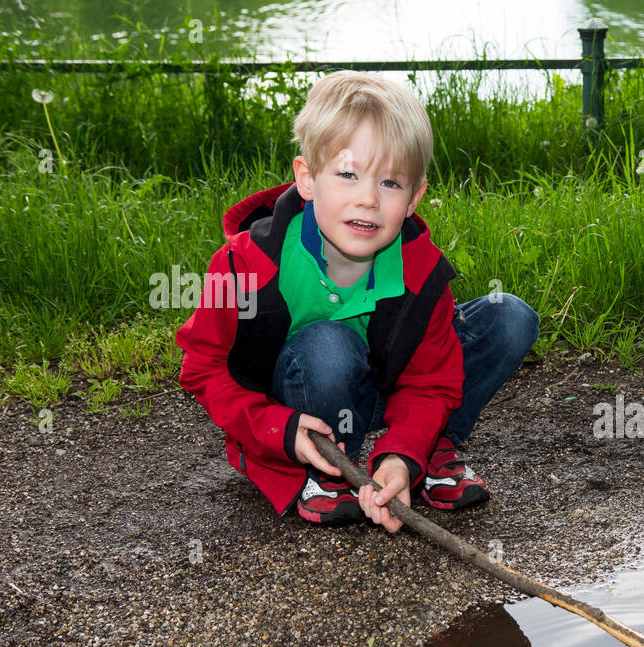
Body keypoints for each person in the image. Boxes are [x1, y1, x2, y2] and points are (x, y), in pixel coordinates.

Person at [175, 70, 538, 530]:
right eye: (347, 174)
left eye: (390, 183)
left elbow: (432, 381)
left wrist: (403, 454)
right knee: (329, 344)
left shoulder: (422, 271)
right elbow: (201, 368)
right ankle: (329, 467)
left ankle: (428, 443)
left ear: (413, 198)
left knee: (508, 317)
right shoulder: (244, 265)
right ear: (307, 179)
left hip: (384, 389)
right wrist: (276, 429)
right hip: (302, 399)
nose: (367, 198)